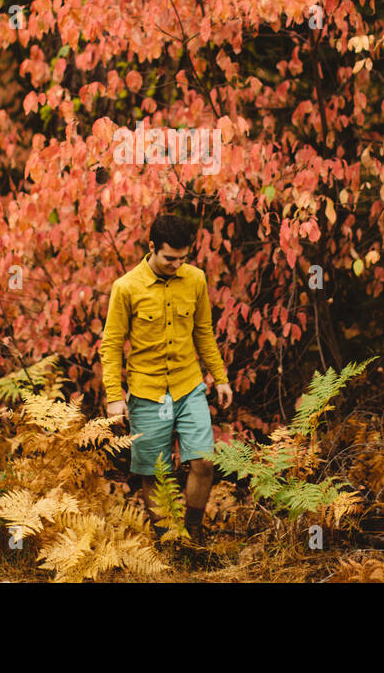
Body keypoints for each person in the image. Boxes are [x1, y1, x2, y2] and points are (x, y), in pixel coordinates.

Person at [99, 213, 233, 548]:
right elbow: (112, 344)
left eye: (182, 258)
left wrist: (220, 378)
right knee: (155, 471)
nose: (176, 264)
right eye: (169, 258)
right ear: (152, 248)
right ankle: (168, 540)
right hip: (147, 392)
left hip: (189, 386)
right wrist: (114, 394)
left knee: (203, 460)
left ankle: (193, 532)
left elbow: (204, 332)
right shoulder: (126, 287)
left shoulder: (196, 280)